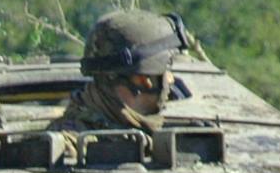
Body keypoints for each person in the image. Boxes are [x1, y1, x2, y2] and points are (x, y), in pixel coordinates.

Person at [52, 8, 189, 136]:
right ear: (143, 80)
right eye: (165, 71)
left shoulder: (171, 133)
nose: (171, 79)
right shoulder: (68, 144)